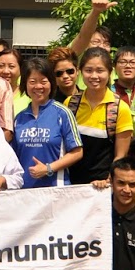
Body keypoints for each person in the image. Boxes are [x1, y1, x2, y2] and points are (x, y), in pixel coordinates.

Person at [68, 46, 134, 186]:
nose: (94, 76)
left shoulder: (120, 108)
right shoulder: (70, 103)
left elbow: (120, 155)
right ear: (80, 72)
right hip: (70, 184)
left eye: (100, 71)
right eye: (88, 70)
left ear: (110, 73)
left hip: (101, 186)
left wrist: (108, 180)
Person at [11, 58, 82, 188]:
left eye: (44, 81)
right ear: (25, 85)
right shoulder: (19, 119)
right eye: (32, 82)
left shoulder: (63, 113)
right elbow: (12, 157)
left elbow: (77, 152)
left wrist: (49, 168)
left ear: (51, 83)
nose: (38, 86)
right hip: (24, 191)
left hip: (56, 190)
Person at [0, 48, 31, 117]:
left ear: (21, 69)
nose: (5, 71)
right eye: (1, 66)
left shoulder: (29, 95)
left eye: (11, 66)